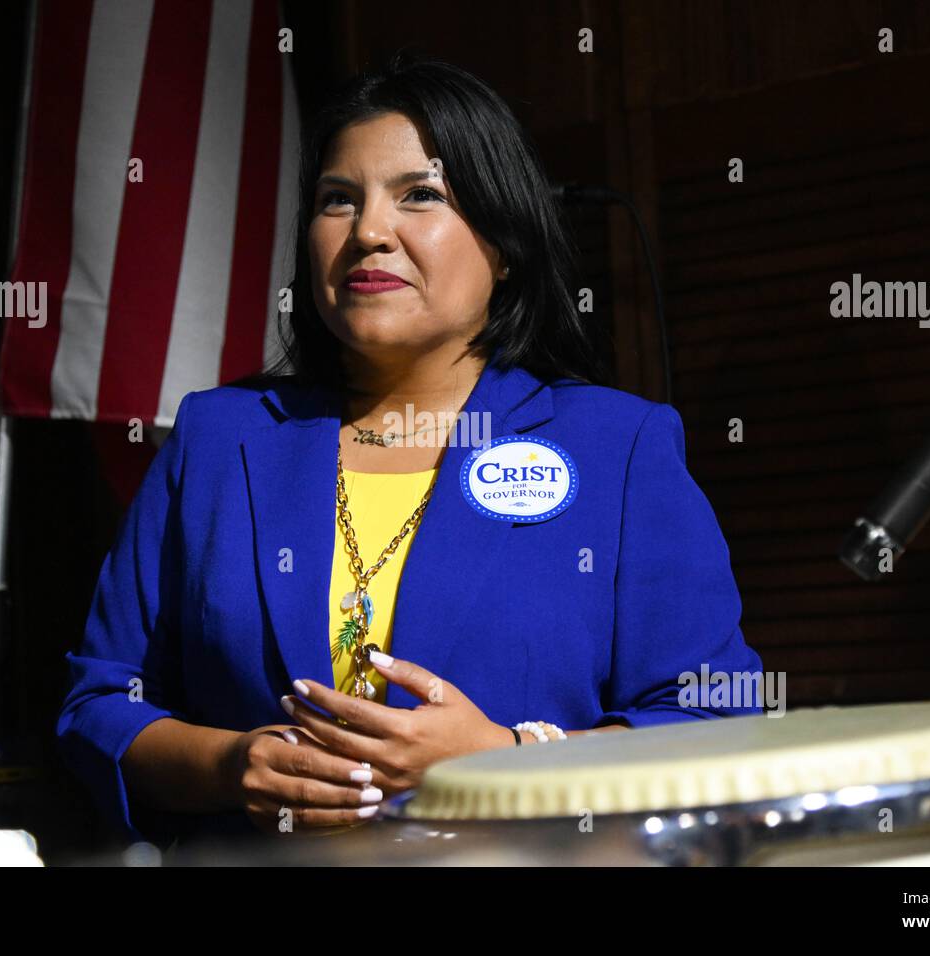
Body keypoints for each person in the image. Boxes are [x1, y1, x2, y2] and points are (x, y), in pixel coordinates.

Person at [56, 53, 764, 847]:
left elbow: (716, 714)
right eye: (337, 201)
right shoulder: (220, 440)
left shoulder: (617, 448)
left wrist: (509, 760)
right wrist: (229, 766)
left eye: (419, 195)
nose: (367, 232)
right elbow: (99, 706)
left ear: (504, 246)